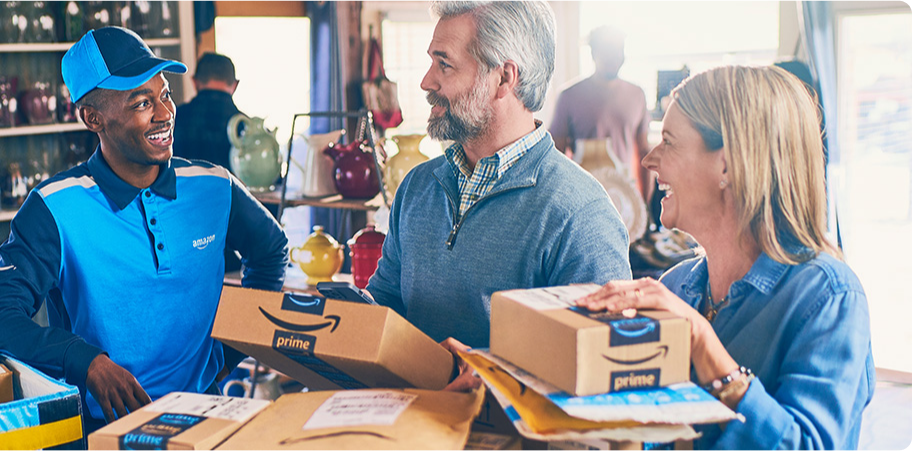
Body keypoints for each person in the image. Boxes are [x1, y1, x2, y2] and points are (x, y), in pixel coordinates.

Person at [0, 27, 289, 431]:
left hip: (205, 416)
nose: (164, 113)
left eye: (166, 94)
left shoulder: (215, 186)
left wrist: (233, 344)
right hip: (104, 430)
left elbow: (272, 250)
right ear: (93, 117)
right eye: (142, 102)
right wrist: (85, 362)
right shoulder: (55, 207)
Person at [575, 66, 873, 450]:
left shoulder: (829, 297)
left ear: (727, 165)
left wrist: (701, 339)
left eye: (668, 141)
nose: (649, 160)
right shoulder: (676, 286)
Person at [368, 0, 631, 350]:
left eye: (444, 65)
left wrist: (482, 368)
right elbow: (385, 309)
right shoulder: (416, 187)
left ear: (504, 77)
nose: (425, 81)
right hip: (411, 404)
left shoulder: (581, 215)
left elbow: (601, 363)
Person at [172, 52, 256, 272]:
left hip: (179, 241)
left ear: (195, 82)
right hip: (234, 248)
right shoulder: (247, 128)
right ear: (234, 85)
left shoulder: (172, 121)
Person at [548, 26, 653, 201]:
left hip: (625, 198)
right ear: (593, 53)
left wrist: (645, 206)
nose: (613, 56)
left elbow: (644, 153)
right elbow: (554, 156)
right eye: (607, 50)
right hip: (583, 196)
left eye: (618, 50)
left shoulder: (637, 95)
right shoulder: (569, 96)